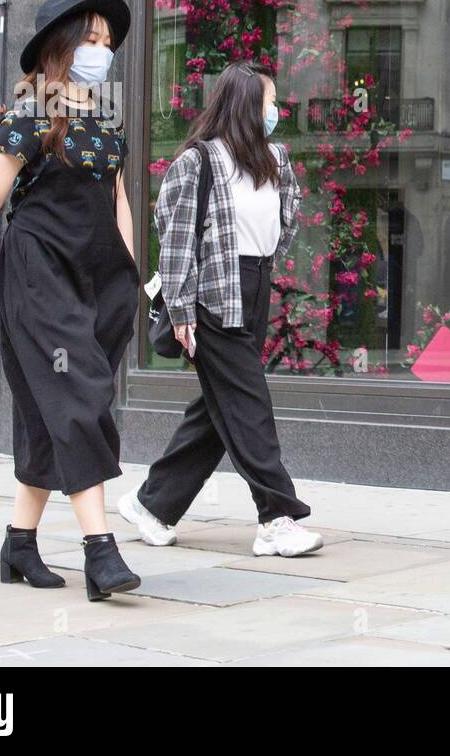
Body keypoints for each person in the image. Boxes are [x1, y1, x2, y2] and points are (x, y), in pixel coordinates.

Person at [0, 0, 142, 602]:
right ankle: (100, 554)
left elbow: (119, 198)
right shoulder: (30, 110)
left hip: (98, 274)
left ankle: (19, 544)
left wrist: (130, 273)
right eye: (91, 40)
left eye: (107, 42)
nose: (102, 52)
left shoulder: (108, 115)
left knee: (54, 412)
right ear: (62, 46)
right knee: (77, 398)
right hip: (38, 271)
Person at [119, 62, 321, 557]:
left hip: (254, 286)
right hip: (213, 294)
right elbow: (176, 240)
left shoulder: (275, 159)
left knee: (220, 408)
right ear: (248, 106)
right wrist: (183, 309)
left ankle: (152, 504)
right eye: (271, 101)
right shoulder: (199, 163)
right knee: (249, 405)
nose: (277, 110)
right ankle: (277, 516)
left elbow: (286, 222)